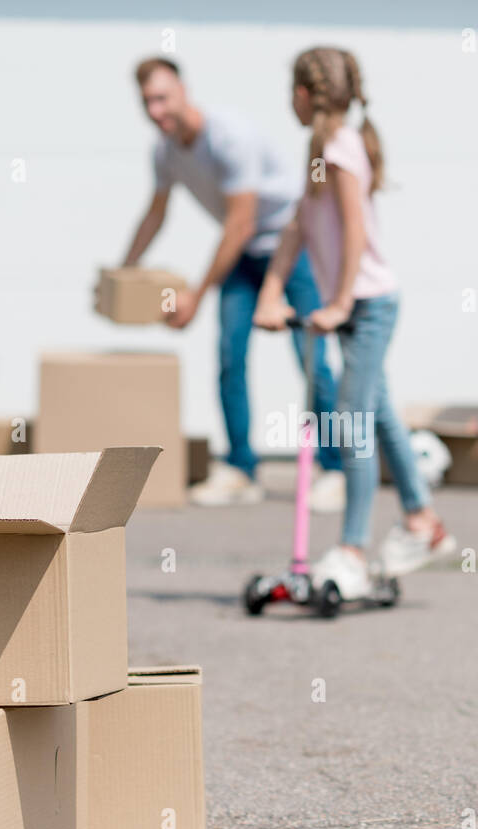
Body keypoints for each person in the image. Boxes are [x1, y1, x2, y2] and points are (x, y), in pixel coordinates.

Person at [254, 47, 453, 599]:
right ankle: (421, 523)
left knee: (351, 418)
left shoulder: (341, 149)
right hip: (355, 305)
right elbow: (297, 226)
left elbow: (356, 227)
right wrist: (270, 293)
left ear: (301, 95)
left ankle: (353, 550)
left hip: (369, 304)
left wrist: (339, 301)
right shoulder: (320, 148)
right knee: (380, 412)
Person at [121, 57, 345, 510]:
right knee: (229, 356)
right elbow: (156, 211)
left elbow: (240, 224)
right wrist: (123, 274)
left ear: (183, 89)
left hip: (290, 243)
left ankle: (336, 468)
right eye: (147, 102)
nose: (156, 111)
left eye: (162, 98)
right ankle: (242, 469)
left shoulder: (229, 138)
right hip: (244, 257)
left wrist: (195, 298)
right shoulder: (164, 150)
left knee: (312, 359)